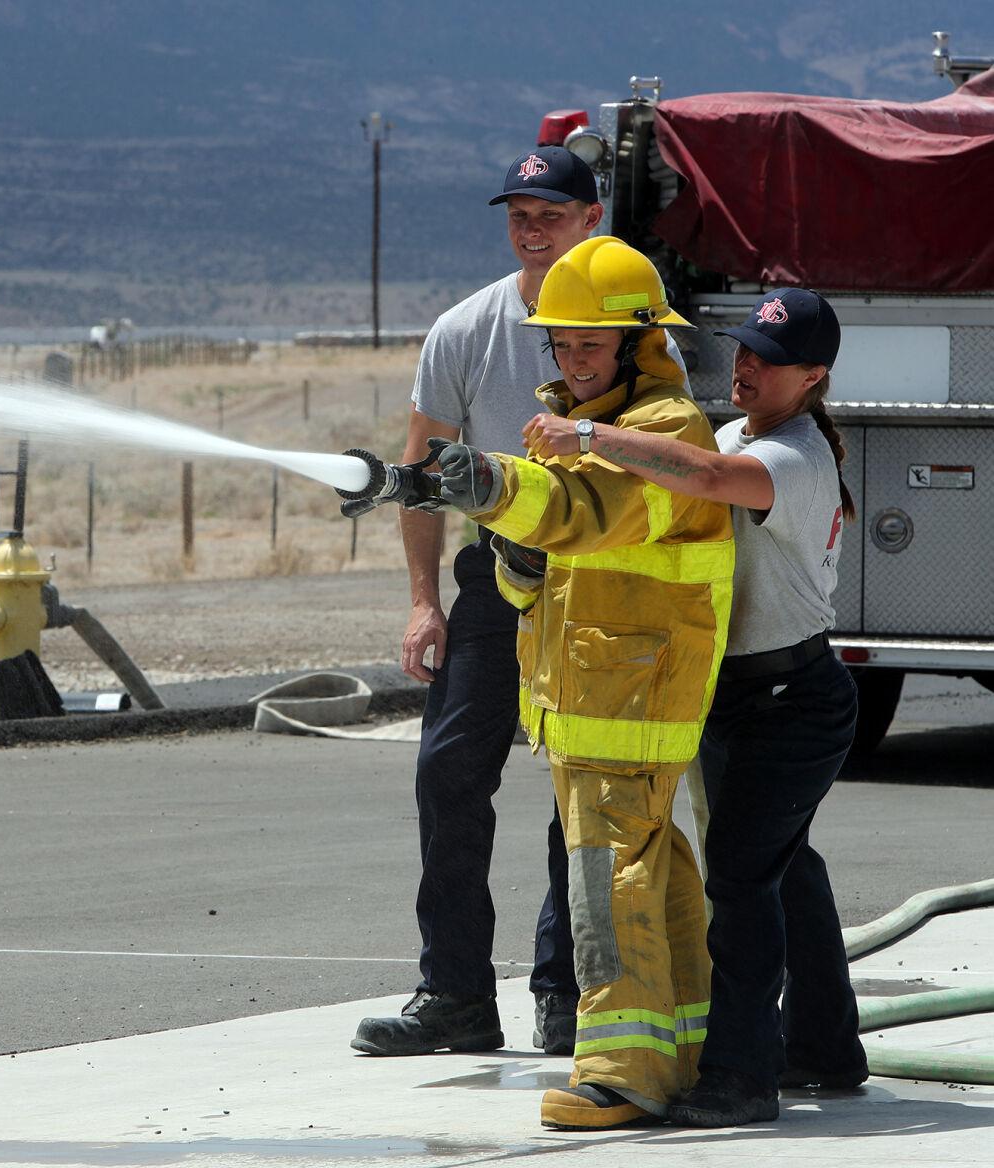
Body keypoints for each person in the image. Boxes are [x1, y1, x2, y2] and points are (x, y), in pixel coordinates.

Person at [524, 288, 866, 1126]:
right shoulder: (732, 432)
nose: (747, 366)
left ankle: (742, 1080)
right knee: (785, 870)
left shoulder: (791, 459)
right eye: (744, 349)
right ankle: (826, 1048)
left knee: (743, 884)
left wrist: (589, 432)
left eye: (771, 359)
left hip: (792, 700)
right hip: (734, 694)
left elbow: (708, 479)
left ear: (813, 377)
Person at [419, 236, 733, 1129]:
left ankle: (619, 1073)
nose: (570, 358)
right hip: (594, 694)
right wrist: (504, 534)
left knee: (607, 882)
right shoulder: (573, 426)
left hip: (629, 696)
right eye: (559, 342)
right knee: (657, 870)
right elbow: (535, 576)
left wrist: (493, 483)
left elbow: (587, 511)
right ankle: (681, 1051)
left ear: (640, 343)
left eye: (589, 343)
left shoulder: (664, 431)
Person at [354, 147, 610, 1059]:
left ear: (592, 216)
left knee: (578, 787)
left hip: (601, 583)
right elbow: (421, 478)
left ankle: (568, 991)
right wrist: (425, 603)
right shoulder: (464, 329)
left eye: (551, 210)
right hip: (495, 580)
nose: (532, 226)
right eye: (519, 212)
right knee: (448, 772)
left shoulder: (633, 317)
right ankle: (455, 993)